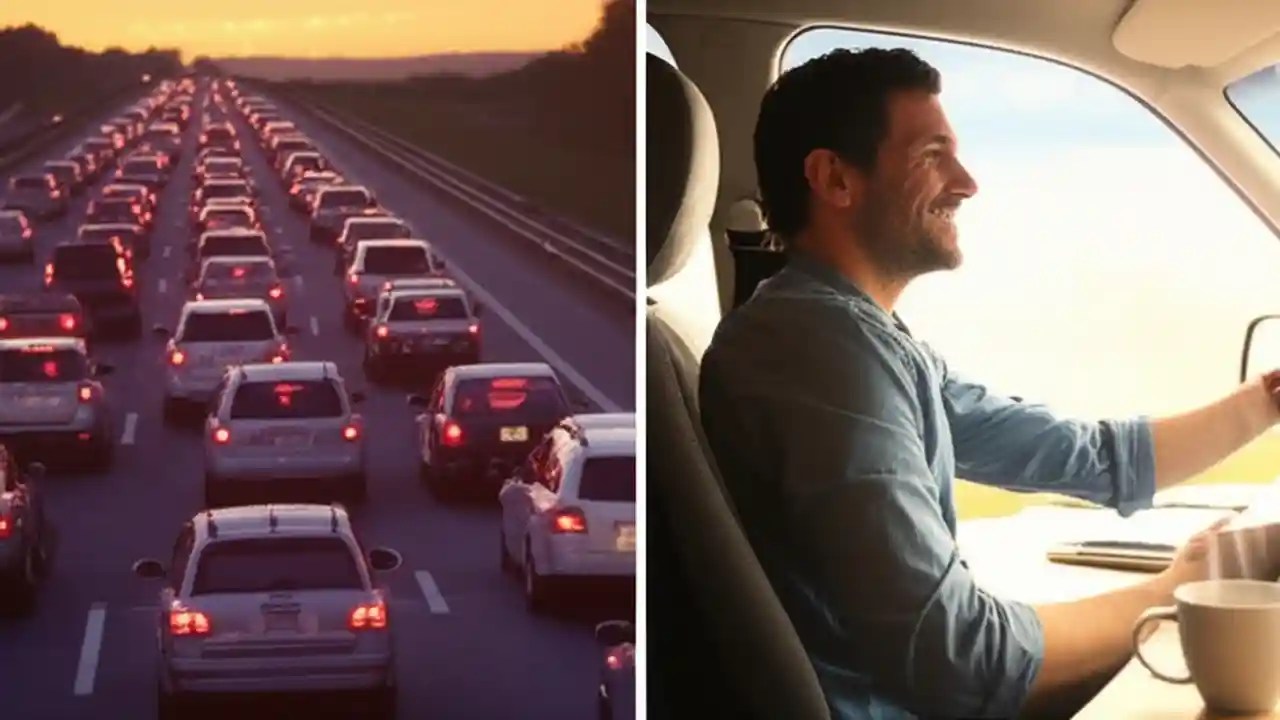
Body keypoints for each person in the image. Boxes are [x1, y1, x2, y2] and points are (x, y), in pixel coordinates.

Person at [698, 47, 1280, 720]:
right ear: (834, 178)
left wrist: (1265, 401)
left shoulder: (859, 340)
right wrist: (1181, 586)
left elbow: (1089, 454)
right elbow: (958, 657)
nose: (967, 182)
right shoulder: (817, 350)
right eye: (931, 155)